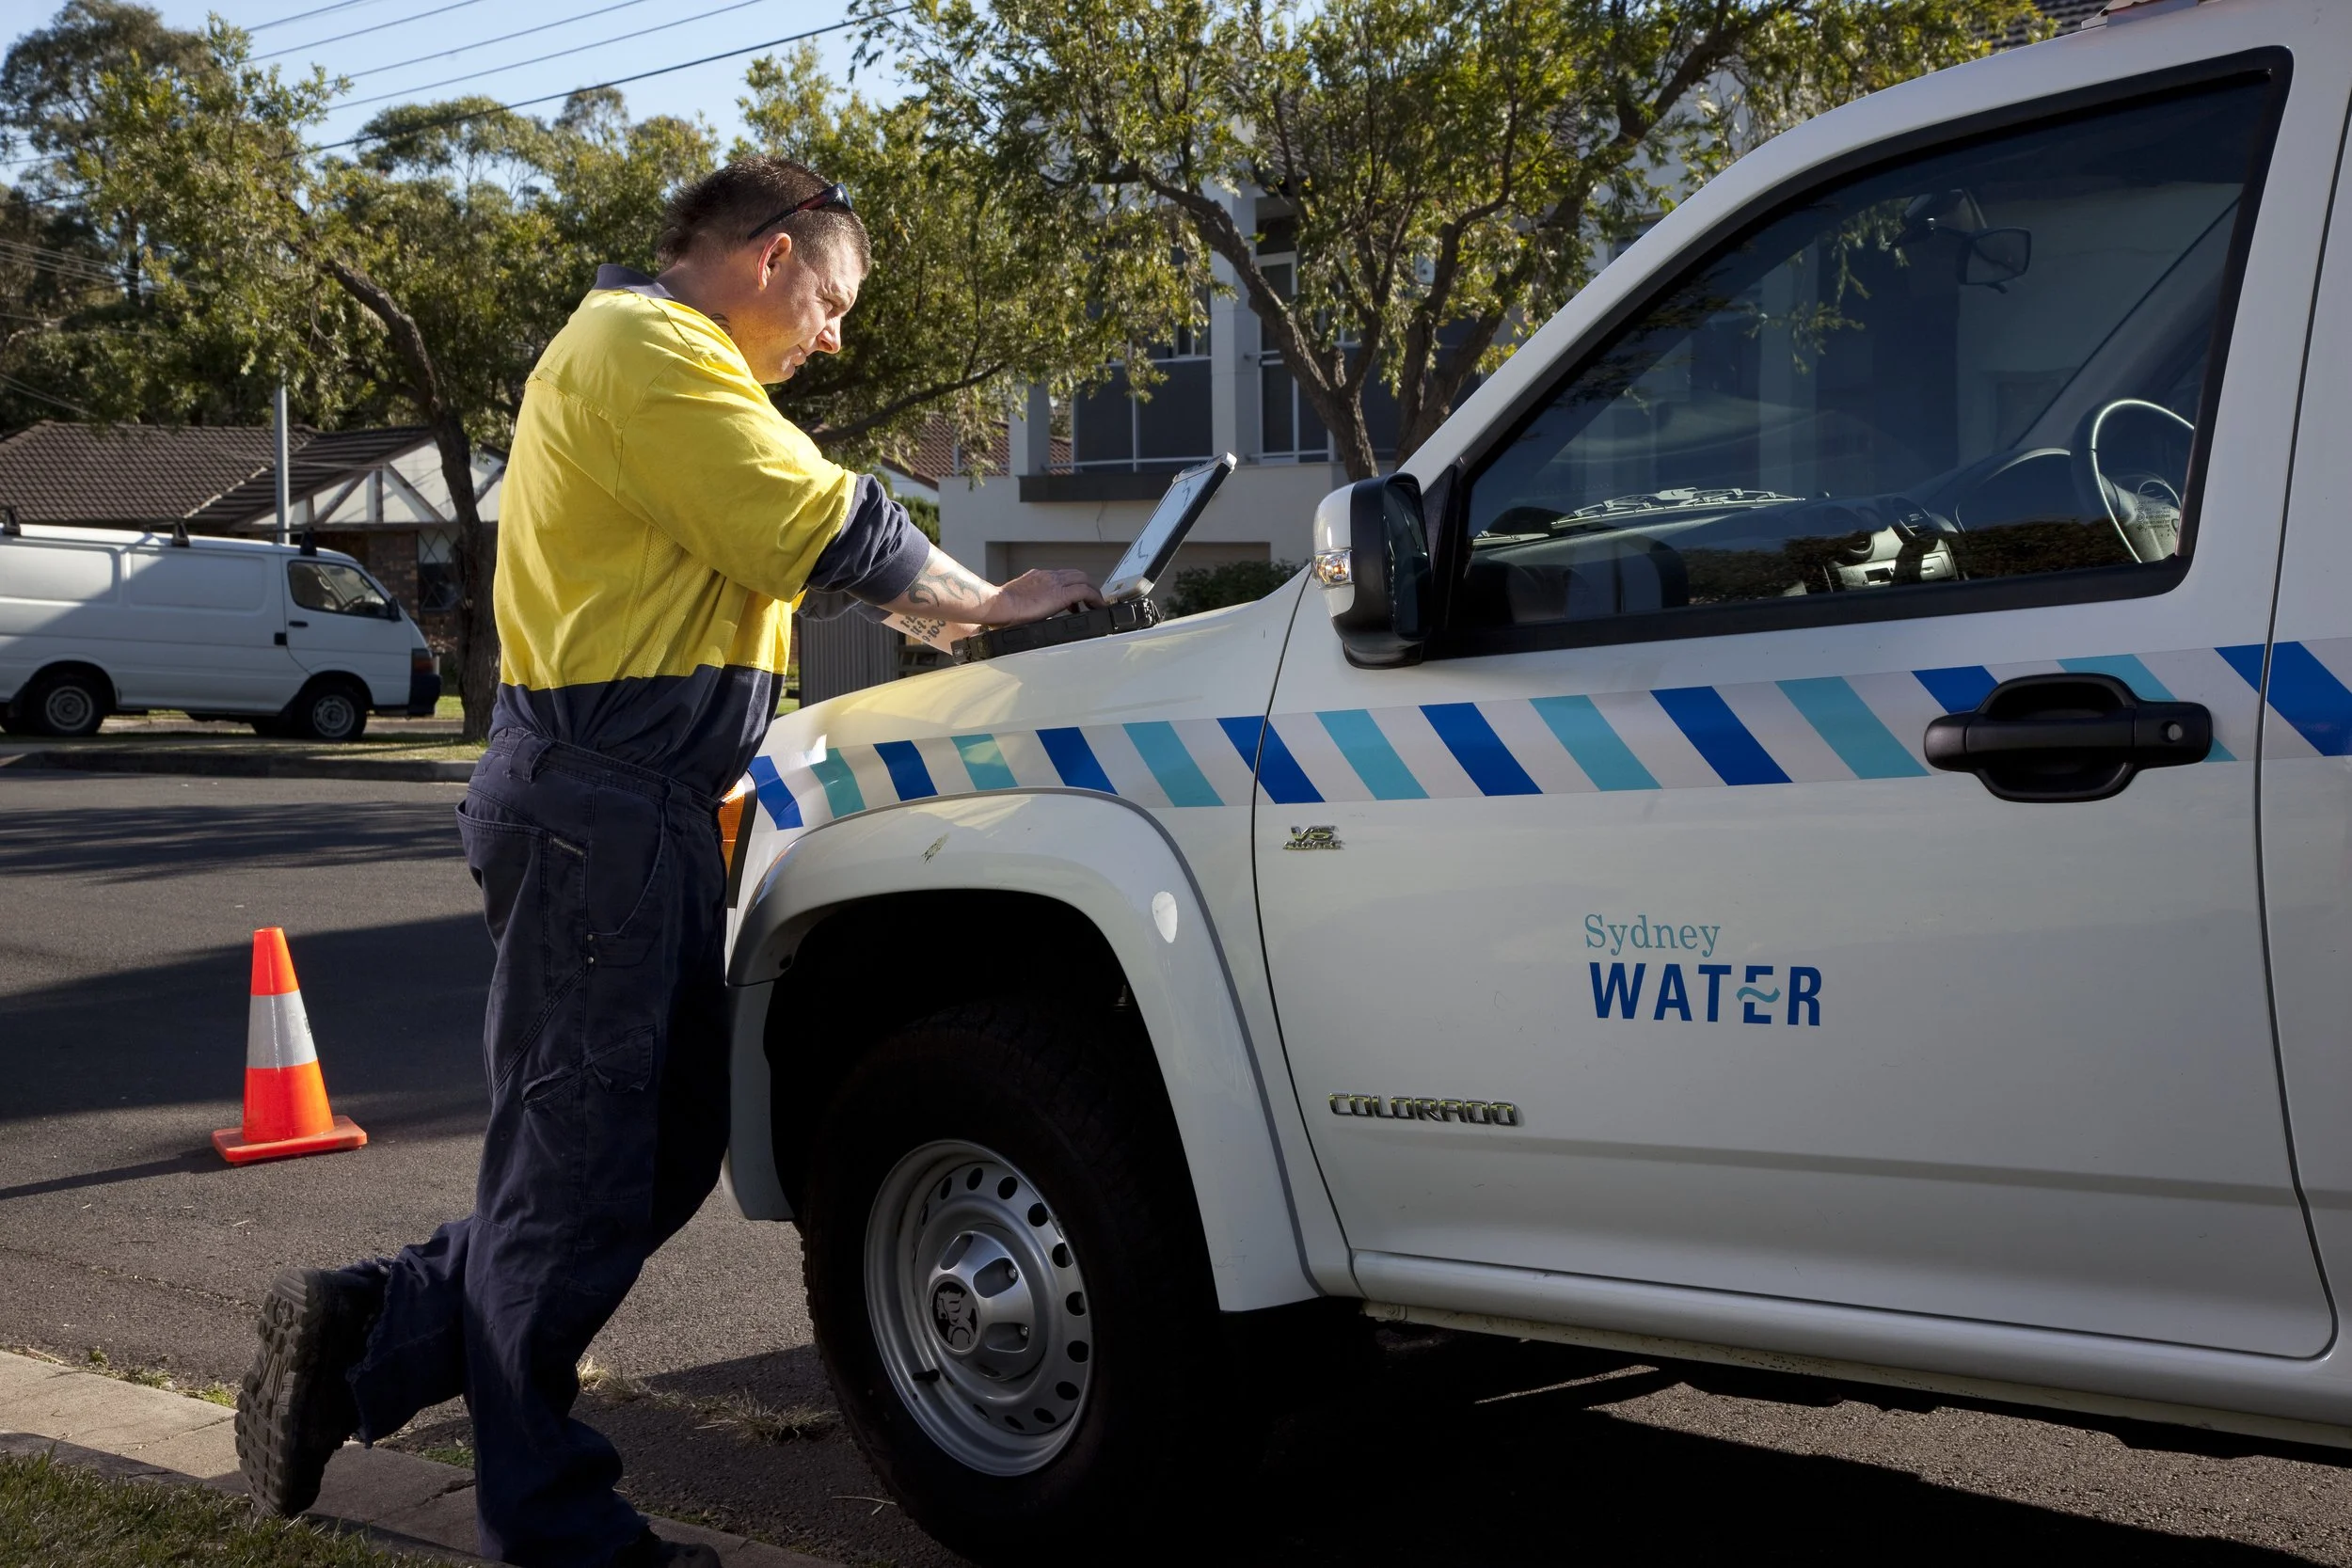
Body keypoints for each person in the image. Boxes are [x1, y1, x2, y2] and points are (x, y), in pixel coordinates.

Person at [230, 157, 1101, 1568]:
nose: (837, 335)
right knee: (575, 1171)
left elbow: (762, 553)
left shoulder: (668, 371)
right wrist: (987, 600)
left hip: (632, 808)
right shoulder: (646, 344)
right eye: (832, 299)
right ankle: (554, 1525)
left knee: (663, 1136)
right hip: (605, 805)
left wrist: (943, 621)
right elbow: (826, 522)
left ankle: (365, 1337)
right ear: (769, 257)